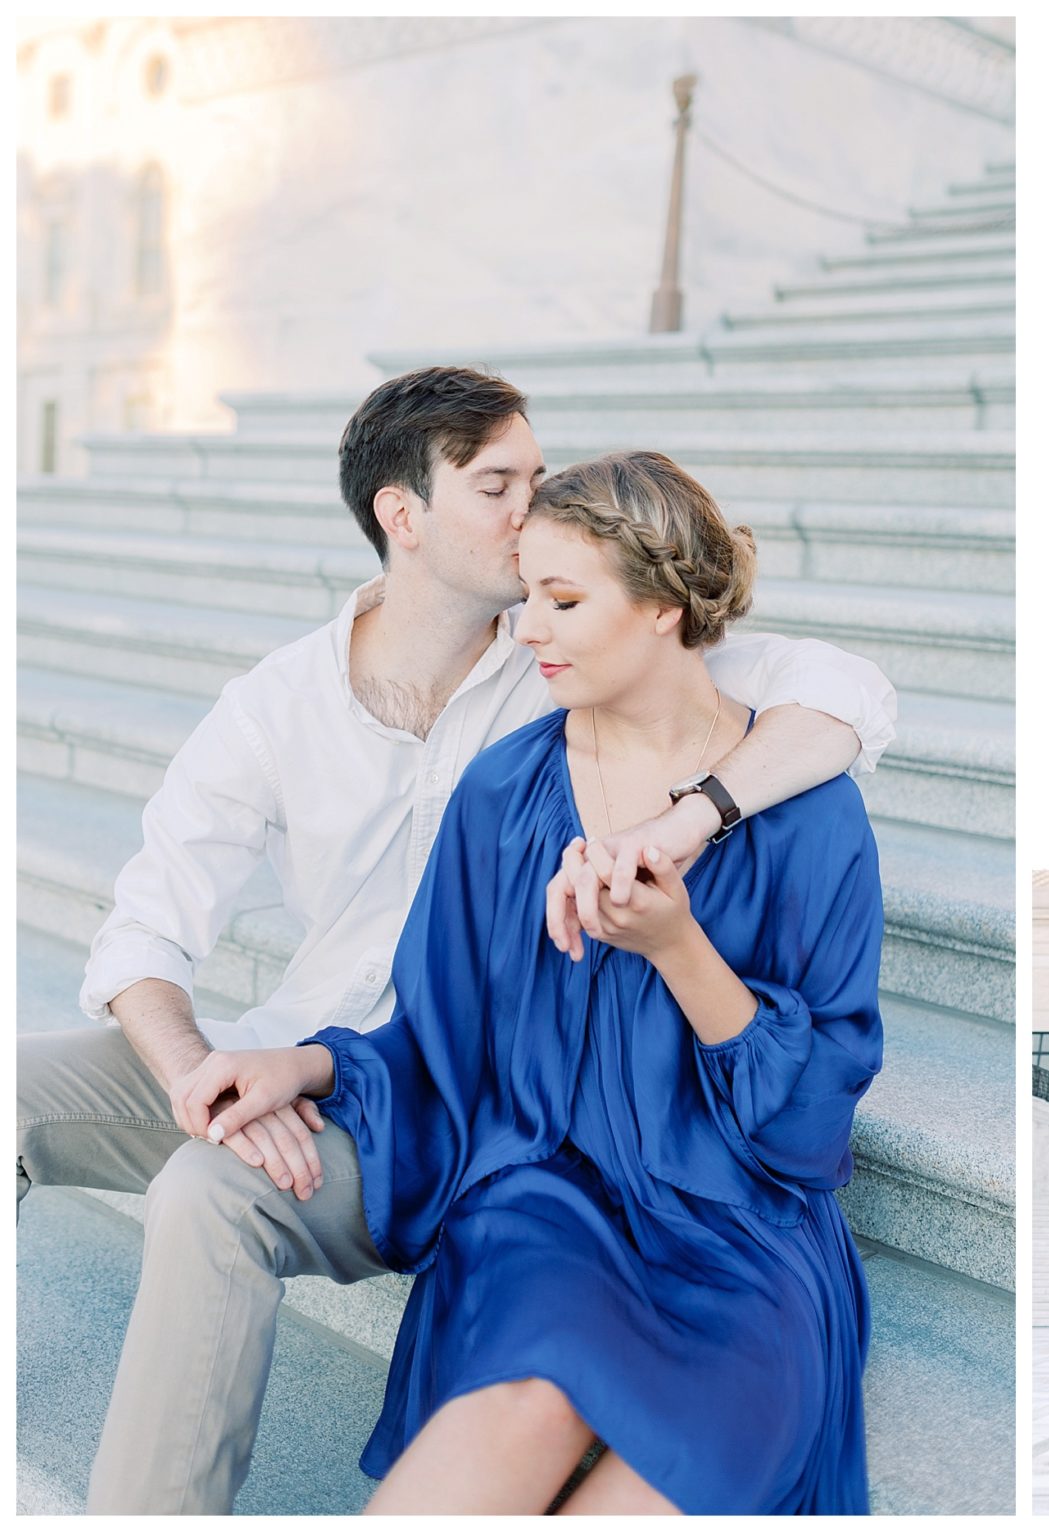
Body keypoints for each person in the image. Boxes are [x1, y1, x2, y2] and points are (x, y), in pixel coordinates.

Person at [16, 367, 897, 1514]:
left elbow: (836, 692)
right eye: (499, 487)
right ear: (403, 514)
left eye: (538, 484)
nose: (529, 511)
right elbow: (147, 926)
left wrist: (685, 824)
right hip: (383, 1070)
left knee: (206, 1192)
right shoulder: (286, 705)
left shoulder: (565, 674)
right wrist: (223, 1075)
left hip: (509, 1124)